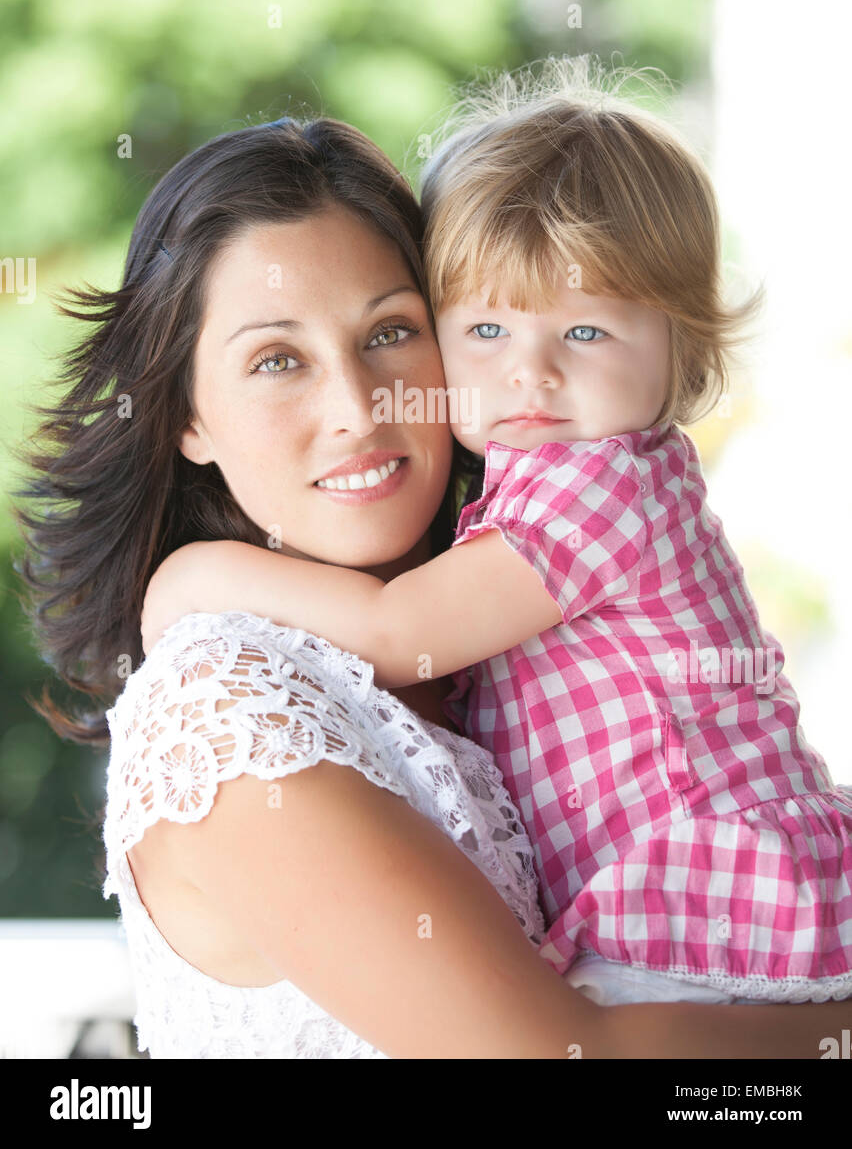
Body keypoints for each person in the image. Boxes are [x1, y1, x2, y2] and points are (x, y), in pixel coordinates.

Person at [14, 112, 852, 1058]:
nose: (360, 406)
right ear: (186, 419)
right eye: (277, 359)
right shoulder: (231, 712)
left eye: (390, 333)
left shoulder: (490, 627)